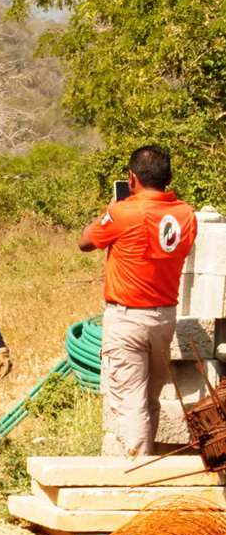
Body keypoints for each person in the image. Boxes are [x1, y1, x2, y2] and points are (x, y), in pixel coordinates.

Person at [79, 145, 197, 457]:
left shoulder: (122, 212)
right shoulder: (187, 215)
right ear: (169, 177)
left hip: (127, 319)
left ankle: (135, 475)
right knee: (149, 400)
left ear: (132, 179)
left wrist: (110, 209)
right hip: (164, 320)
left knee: (130, 403)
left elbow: (85, 241)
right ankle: (146, 462)